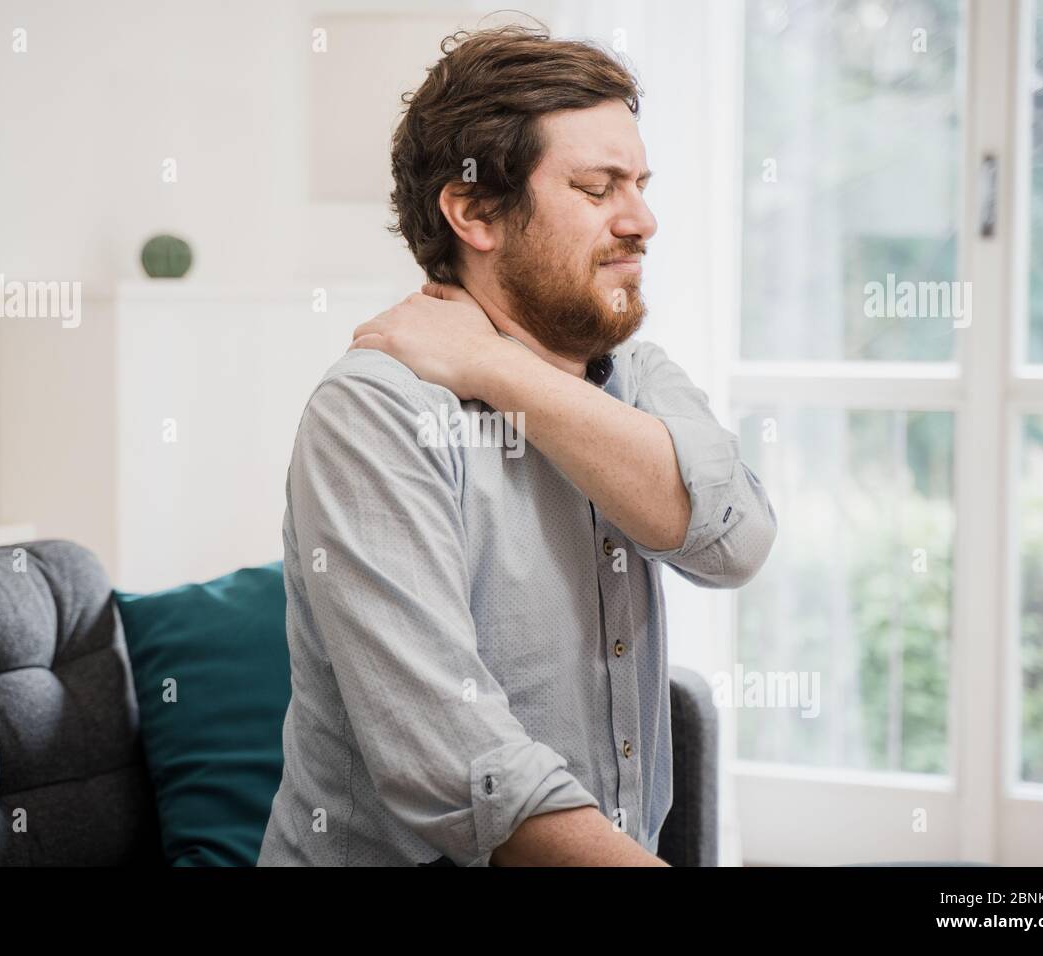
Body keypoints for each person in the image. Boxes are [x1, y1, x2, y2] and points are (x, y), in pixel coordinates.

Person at [257, 22, 777, 867]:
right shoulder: (373, 412)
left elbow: (737, 542)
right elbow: (466, 774)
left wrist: (497, 368)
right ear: (472, 211)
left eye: (641, 184)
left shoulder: (640, 378)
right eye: (598, 187)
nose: (643, 220)